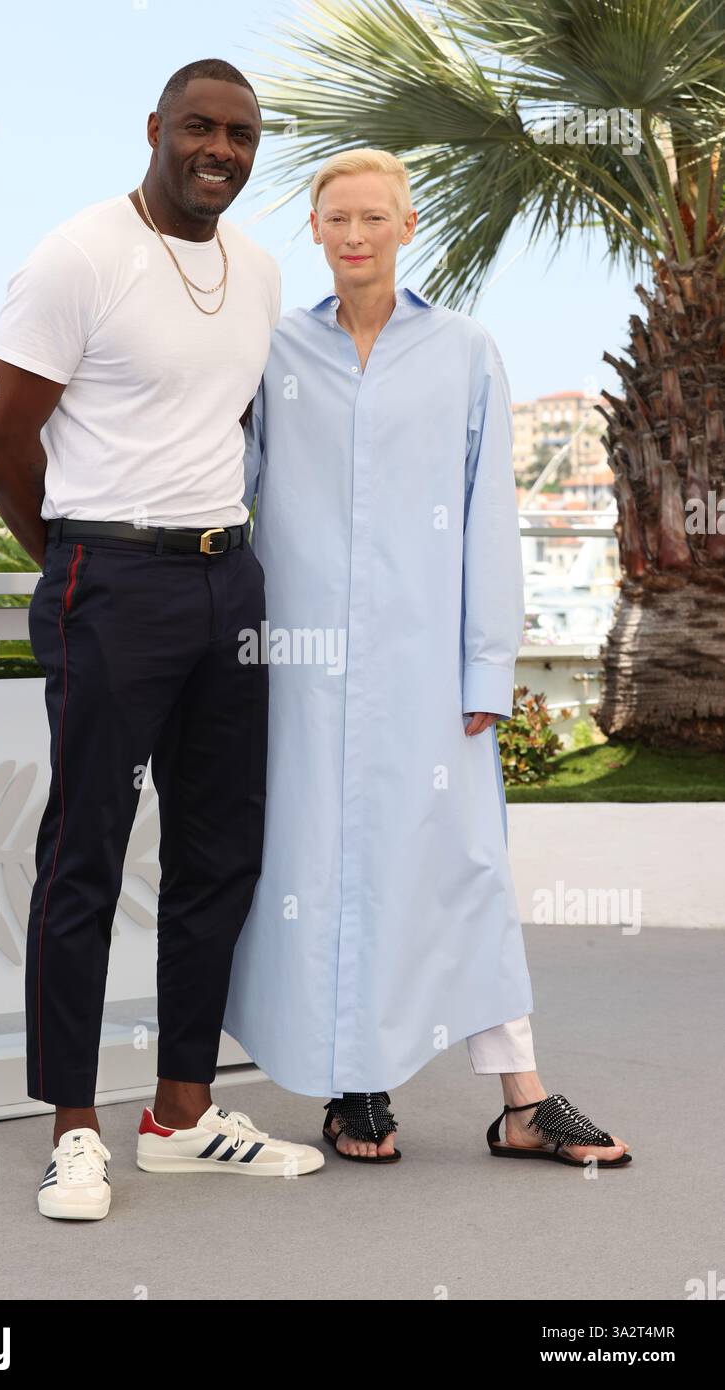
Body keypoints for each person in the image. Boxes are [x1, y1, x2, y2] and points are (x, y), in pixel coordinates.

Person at [222, 148, 632, 1169]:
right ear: (313, 231)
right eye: (334, 218)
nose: (353, 235)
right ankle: (352, 1084)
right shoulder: (272, 355)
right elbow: (236, 494)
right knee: (315, 869)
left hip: (425, 670)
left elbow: (490, 518)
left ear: (406, 228)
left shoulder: (462, 352)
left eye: (372, 217)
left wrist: (484, 669)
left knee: (463, 868)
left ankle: (522, 1098)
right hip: (299, 673)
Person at [0, 59, 325, 1221]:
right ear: (154, 128)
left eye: (240, 134)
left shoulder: (259, 268)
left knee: (220, 851)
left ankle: (179, 1111)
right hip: (108, 579)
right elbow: (1, 434)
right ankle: (73, 1129)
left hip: (228, 583)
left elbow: (217, 421)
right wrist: (71, 562)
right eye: (198, 128)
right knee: (84, 856)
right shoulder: (79, 255)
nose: (219, 149)